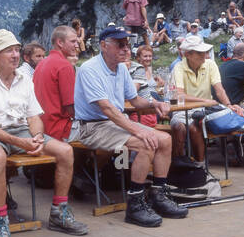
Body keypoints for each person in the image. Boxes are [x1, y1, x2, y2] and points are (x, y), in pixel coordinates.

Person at [0, 30, 86, 237]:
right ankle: (0, 221)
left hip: (22, 131)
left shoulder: (25, 79)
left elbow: (34, 116)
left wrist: (36, 137)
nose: (15, 55)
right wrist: (21, 142)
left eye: (16, 50)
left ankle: (59, 212)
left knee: (65, 151)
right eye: (8, 51)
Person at [73, 26, 185, 226]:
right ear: (103, 46)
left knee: (166, 140)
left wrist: (154, 104)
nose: (126, 49)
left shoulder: (122, 68)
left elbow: (134, 101)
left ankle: (158, 196)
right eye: (120, 44)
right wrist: (139, 130)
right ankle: (134, 205)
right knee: (145, 143)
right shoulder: (89, 69)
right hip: (93, 127)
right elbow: (107, 109)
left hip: (113, 123)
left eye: (127, 44)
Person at [169, 35, 244, 166]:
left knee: (195, 127)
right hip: (184, 109)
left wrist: (228, 105)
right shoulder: (178, 67)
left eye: (204, 51)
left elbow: (219, 89)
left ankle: (200, 164)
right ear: (187, 54)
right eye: (199, 52)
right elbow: (179, 95)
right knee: (178, 127)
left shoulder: (210, 64)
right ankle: (179, 163)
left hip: (204, 110)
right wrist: (205, 101)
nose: (204, 54)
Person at [33, 26, 81, 142]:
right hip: (60, 129)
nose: (77, 45)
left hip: (41, 127)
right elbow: (71, 108)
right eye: (73, 41)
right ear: (60, 42)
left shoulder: (42, 63)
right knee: (107, 128)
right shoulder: (64, 66)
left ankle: (82, 160)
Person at [127, 45, 166, 128]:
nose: (148, 58)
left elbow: (149, 85)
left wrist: (157, 80)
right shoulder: (135, 70)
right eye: (145, 56)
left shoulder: (148, 69)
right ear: (138, 58)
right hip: (145, 103)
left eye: (150, 56)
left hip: (154, 99)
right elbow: (136, 91)